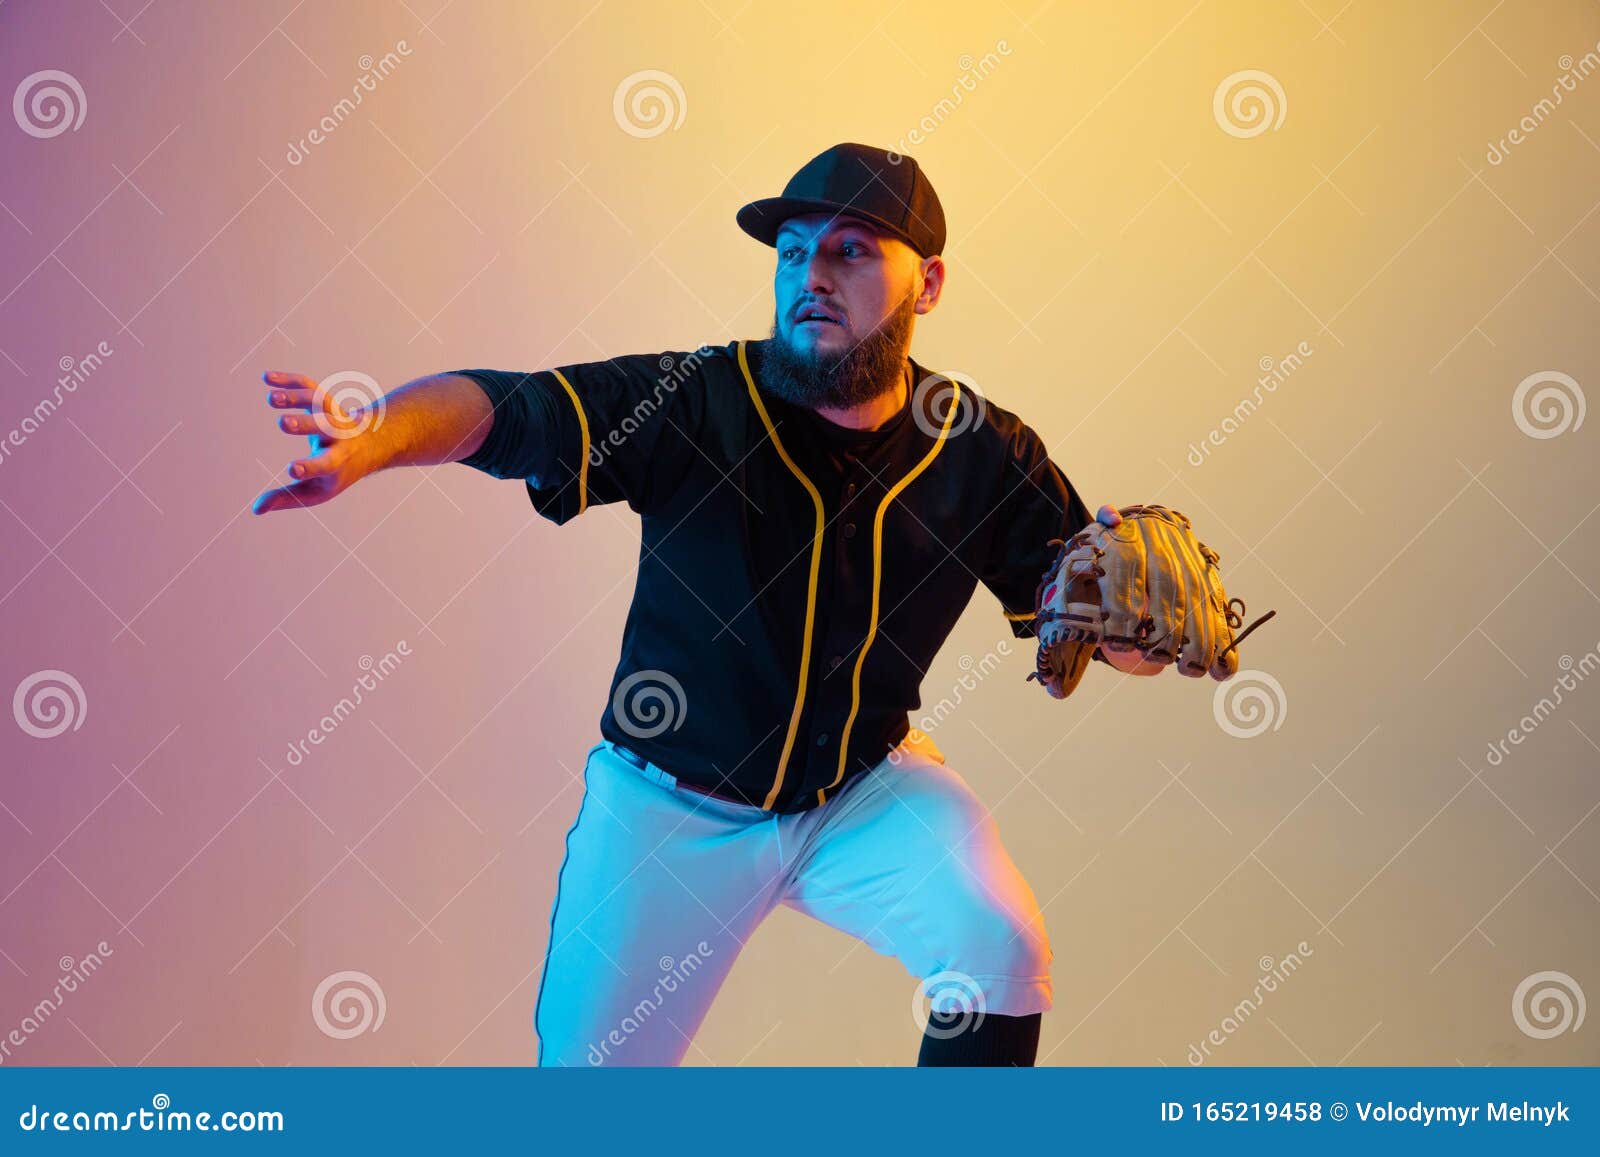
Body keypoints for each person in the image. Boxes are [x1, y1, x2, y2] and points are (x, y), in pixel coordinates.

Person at [252, 143, 1104, 1066]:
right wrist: (379, 433)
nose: (810, 275)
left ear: (927, 283)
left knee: (1000, 950)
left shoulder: (979, 446)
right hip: (669, 811)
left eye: (851, 251)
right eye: (792, 251)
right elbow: (514, 410)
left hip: (860, 788)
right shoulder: (696, 399)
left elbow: (1093, 614)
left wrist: (1153, 643)